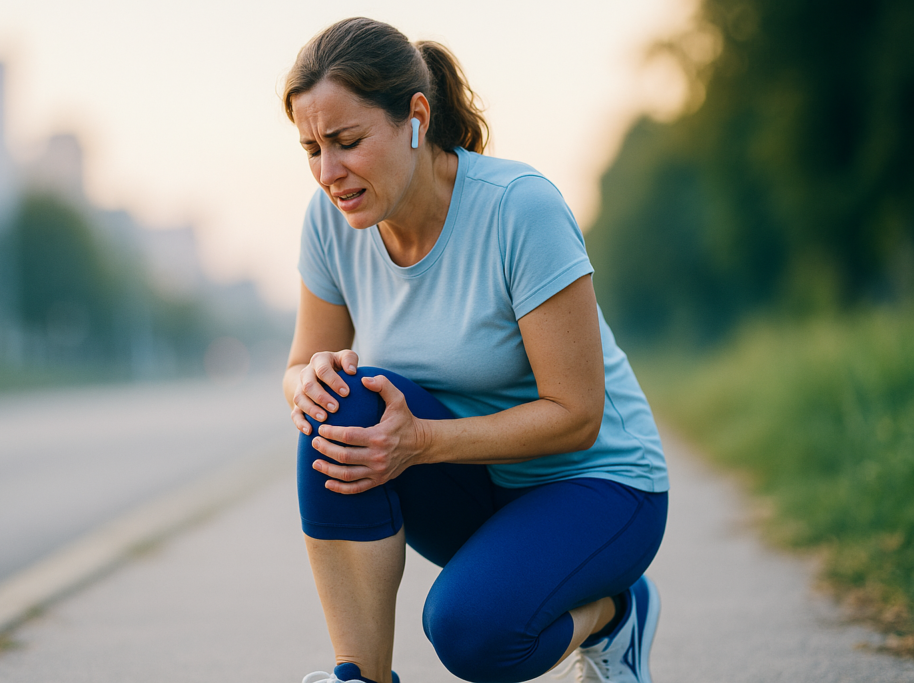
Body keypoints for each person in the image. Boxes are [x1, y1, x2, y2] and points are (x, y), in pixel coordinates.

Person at [281, 17, 669, 683]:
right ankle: (360, 675)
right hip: (479, 483)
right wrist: (307, 383)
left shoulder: (520, 208)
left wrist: (420, 441)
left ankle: (617, 610)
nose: (329, 173)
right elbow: (299, 368)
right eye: (312, 148)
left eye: (346, 141)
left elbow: (577, 413)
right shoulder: (330, 223)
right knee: (341, 403)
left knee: (472, 633)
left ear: (416, 117)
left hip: (600, 484)